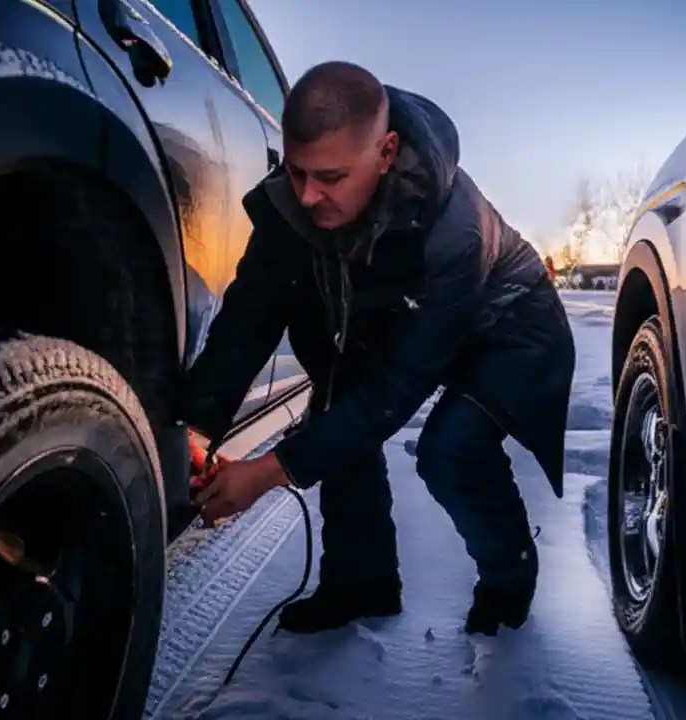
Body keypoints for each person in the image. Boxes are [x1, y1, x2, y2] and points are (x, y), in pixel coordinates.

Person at [181, 61, 575, 636]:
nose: (309, 196)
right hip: (409, 318)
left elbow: (397, 388)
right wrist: (197, 424)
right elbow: (250, 313)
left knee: (449, 450)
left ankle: (507, 576)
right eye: (296, 172)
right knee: (338, 408)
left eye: (332, 178)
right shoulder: (294, 206)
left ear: (386, 152)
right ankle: (361, 585)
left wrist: (269, 471)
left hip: (507, 323)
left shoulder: (452, 230)